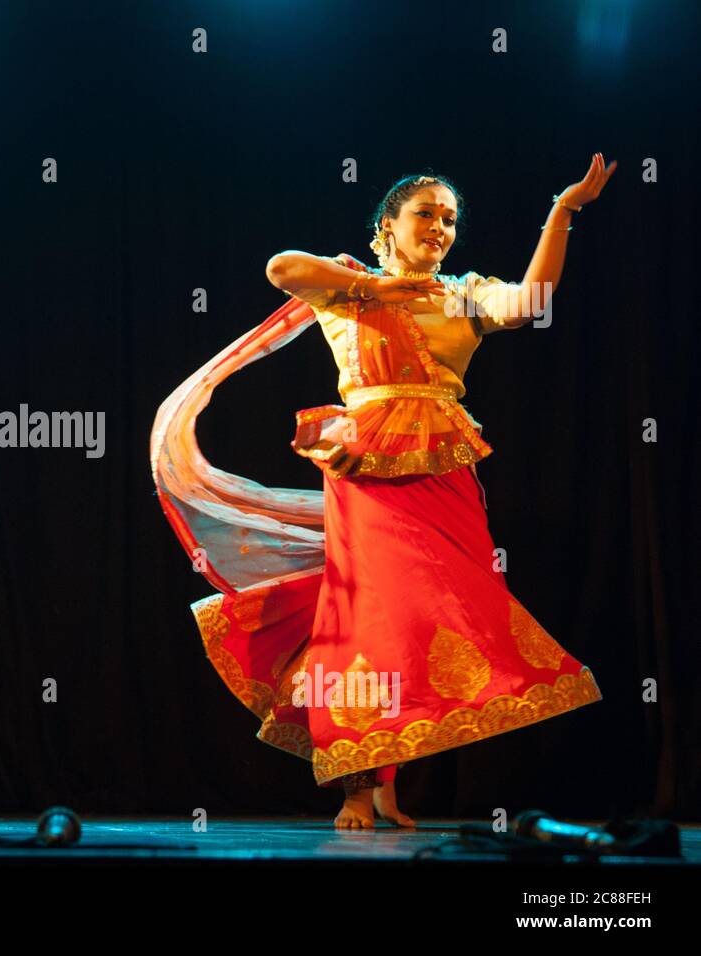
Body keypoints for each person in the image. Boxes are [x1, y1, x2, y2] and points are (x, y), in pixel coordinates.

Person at [150, 155, 616, 829]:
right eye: (424, 213)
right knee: (371, 618)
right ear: (386, 226)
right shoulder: (349, 290)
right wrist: (378, 291)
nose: (439, 227)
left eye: (450, 218)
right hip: (366, 471)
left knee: (433, 621)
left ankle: (390, 780)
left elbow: (531, 302)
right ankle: (355, 787)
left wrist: (562, 211)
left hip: (445, 475)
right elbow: (282, 267)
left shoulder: (464, 294)